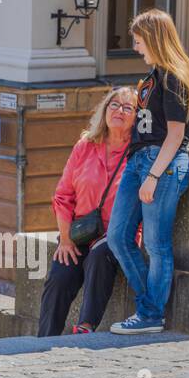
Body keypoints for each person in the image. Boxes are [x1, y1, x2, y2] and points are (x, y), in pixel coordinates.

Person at [107, 9, 189, 335]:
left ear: (154, 38)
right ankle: (148, 305)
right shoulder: (150, 78)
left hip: (163, 165)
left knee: (157, 245)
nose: (135, 46)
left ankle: (150, 315)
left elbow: (175, 134)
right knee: (117, 236)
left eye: (138, 40)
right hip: (138, 161)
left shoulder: (174, 76)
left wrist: (154, 175)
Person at [38, 87, 135, 337]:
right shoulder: (85, 146)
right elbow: (63, 196)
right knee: (60, 274)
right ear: (104, 110)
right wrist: (66, 237)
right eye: (114, 105)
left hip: (116, 233)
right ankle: (44, 339)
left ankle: (85, 327)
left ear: (137, 117)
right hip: (81, 230)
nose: (119, 111)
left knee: (99, 255)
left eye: (128, 107)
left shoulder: (139, 153)